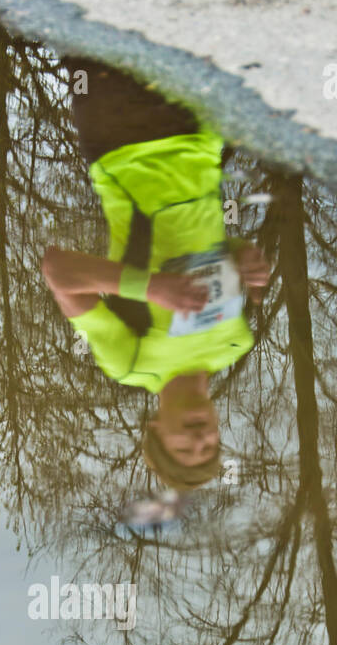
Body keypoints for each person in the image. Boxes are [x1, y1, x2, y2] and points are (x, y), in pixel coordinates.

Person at [41, 60, 269, 489]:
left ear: (155, 432)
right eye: (210, 446)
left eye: (184, 448)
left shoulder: (131, 363)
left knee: (96, 19)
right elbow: (218, 248)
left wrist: (150, 287)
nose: (199, 438)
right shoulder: (238, 340)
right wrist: (247, 258)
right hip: (201, 139)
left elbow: (59, 270)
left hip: (123, 139)